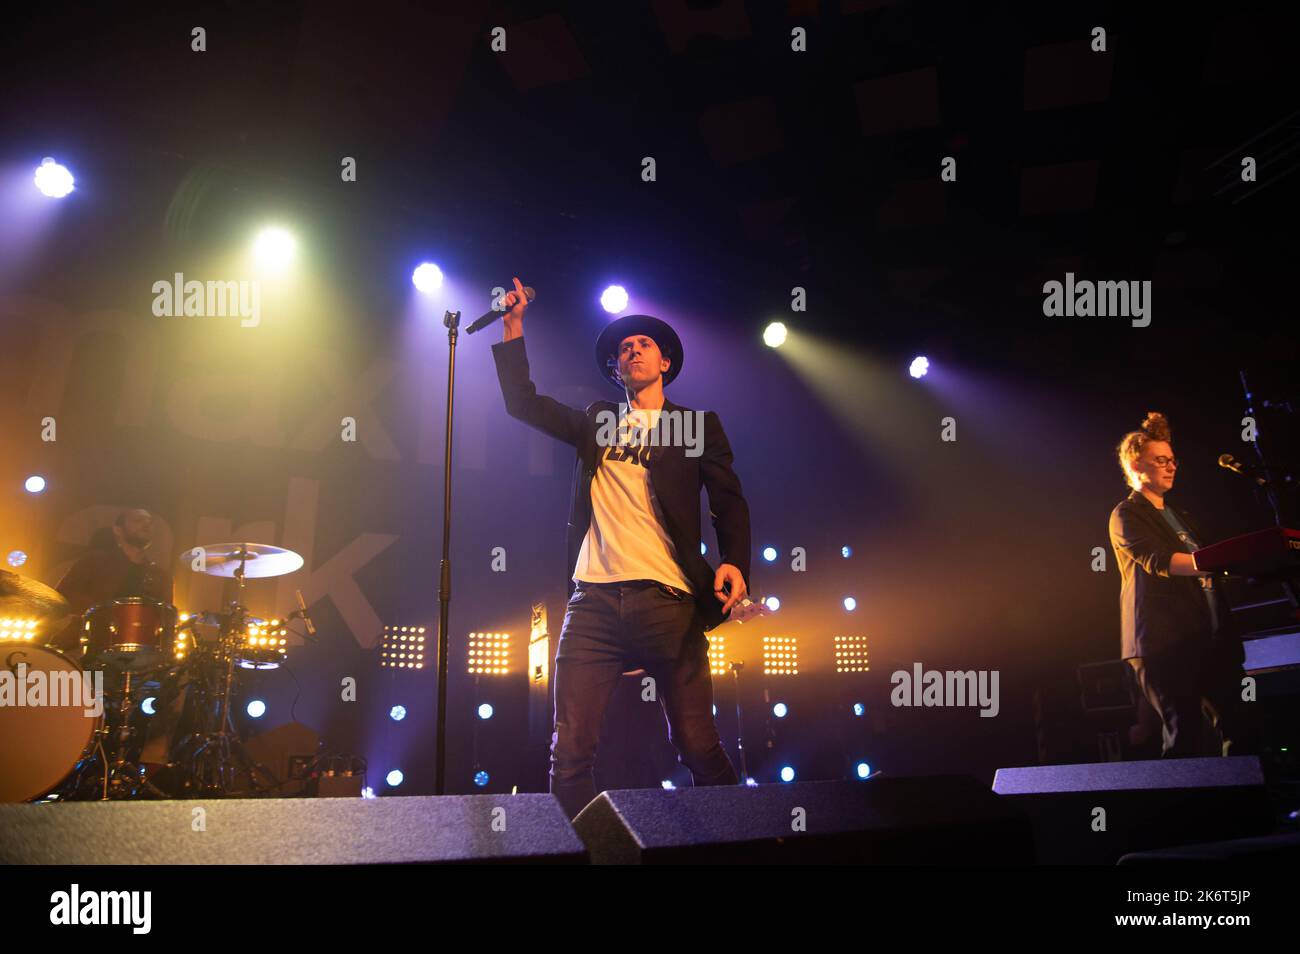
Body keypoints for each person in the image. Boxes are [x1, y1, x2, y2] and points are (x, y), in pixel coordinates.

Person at [491, 277, 751, 818]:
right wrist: (514, 327)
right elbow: (523, 402)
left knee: (699, 748)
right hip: (594, 605)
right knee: (569, 754)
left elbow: (728, 499)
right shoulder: (597, 421)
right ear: (616, 370)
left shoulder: (695, 426)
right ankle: (575, 854)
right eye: (623, 349)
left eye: (643, 346)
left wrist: (733, 561)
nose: (631, 350)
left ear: (665, 364)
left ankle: (741, 839)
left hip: (670, 603)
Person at [1109, 412, 1260, 758]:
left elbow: (1210, 570)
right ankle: (1187, 809)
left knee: (1242, 726)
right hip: (1164, 642)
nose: (1170, 466)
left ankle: (1240, 806)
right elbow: (1159, 562)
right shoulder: (1126, 514)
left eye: (1172, 460)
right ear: (1135, 466)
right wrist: (1217, 562)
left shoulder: (1183, 517)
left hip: (1210, 638)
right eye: (1160, 460)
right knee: (1186, 735)